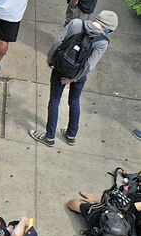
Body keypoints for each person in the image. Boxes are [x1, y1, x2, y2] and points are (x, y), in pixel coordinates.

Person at [29, 10, 115, 147]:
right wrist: (74, 78)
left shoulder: (76, 23)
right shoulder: (102, 42)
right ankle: (71, 135)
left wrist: (50, 59)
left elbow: (58, 41)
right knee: (74, 101)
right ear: (107, 28)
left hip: (61, 68)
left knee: (55, 100)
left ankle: (49, 137)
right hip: (79, 75)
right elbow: (90, 64)